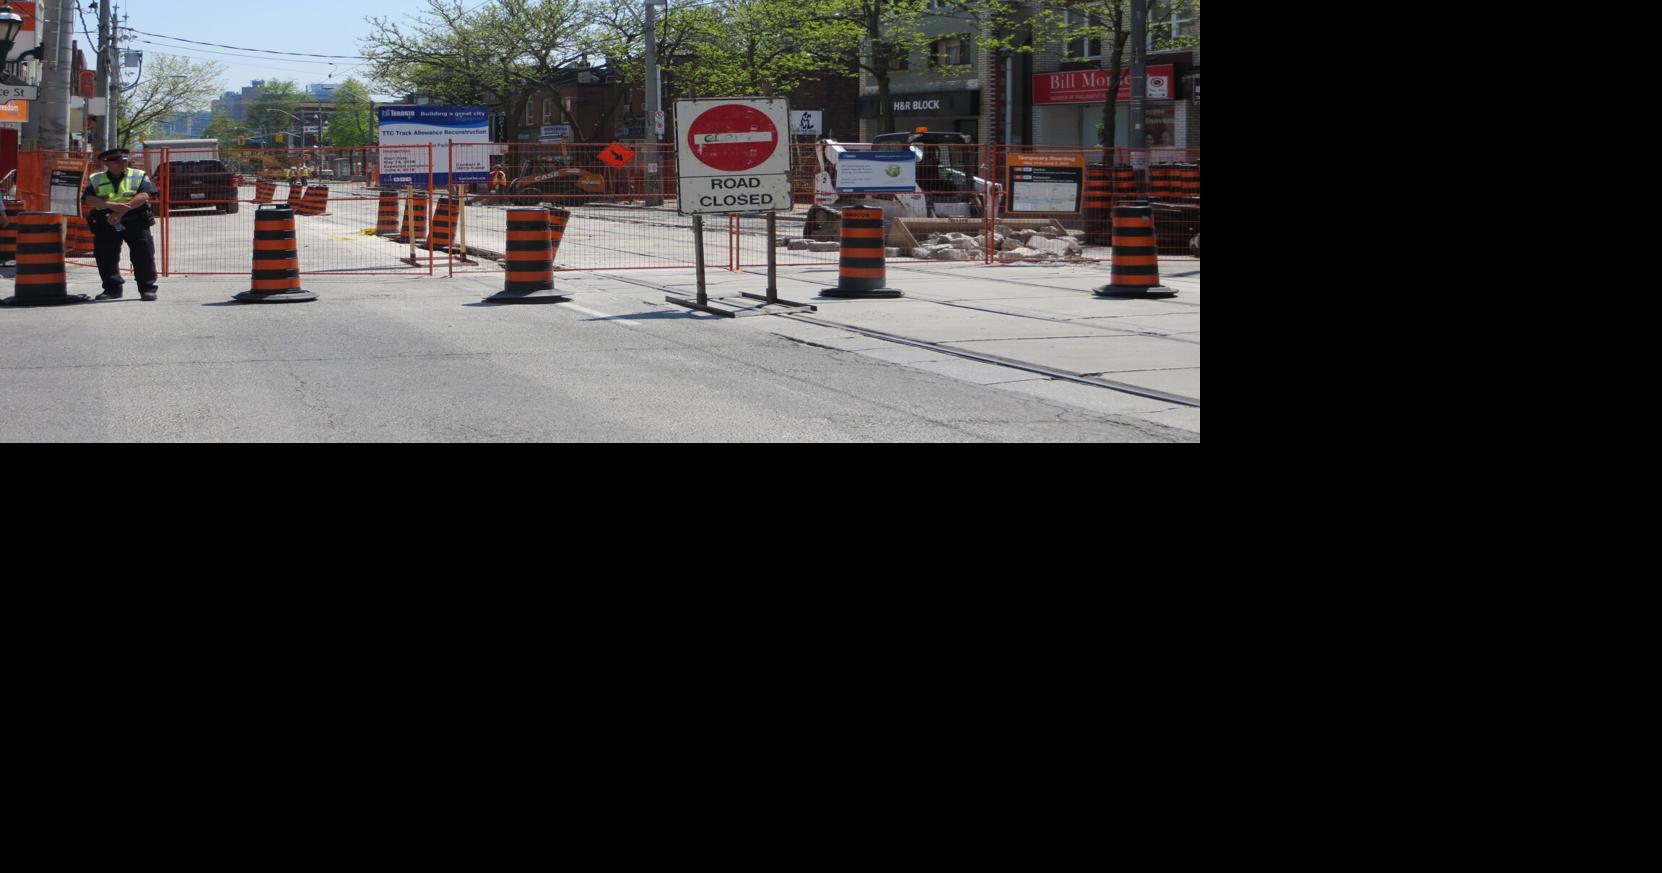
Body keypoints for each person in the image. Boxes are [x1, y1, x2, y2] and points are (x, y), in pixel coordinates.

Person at [81, 148, 160, 301]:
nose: (121, 162)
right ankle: (112, 290)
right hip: (106, 222)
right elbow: (89, 198)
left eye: (124, 159)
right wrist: (112, 206)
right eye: (116, 160)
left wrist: (121, 211)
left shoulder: (138, 175)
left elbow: (145, 194)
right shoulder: (96, 178)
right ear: (105, 162)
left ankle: (147, 289)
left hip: (135, 221)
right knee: (106, 257)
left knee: (144, 256)